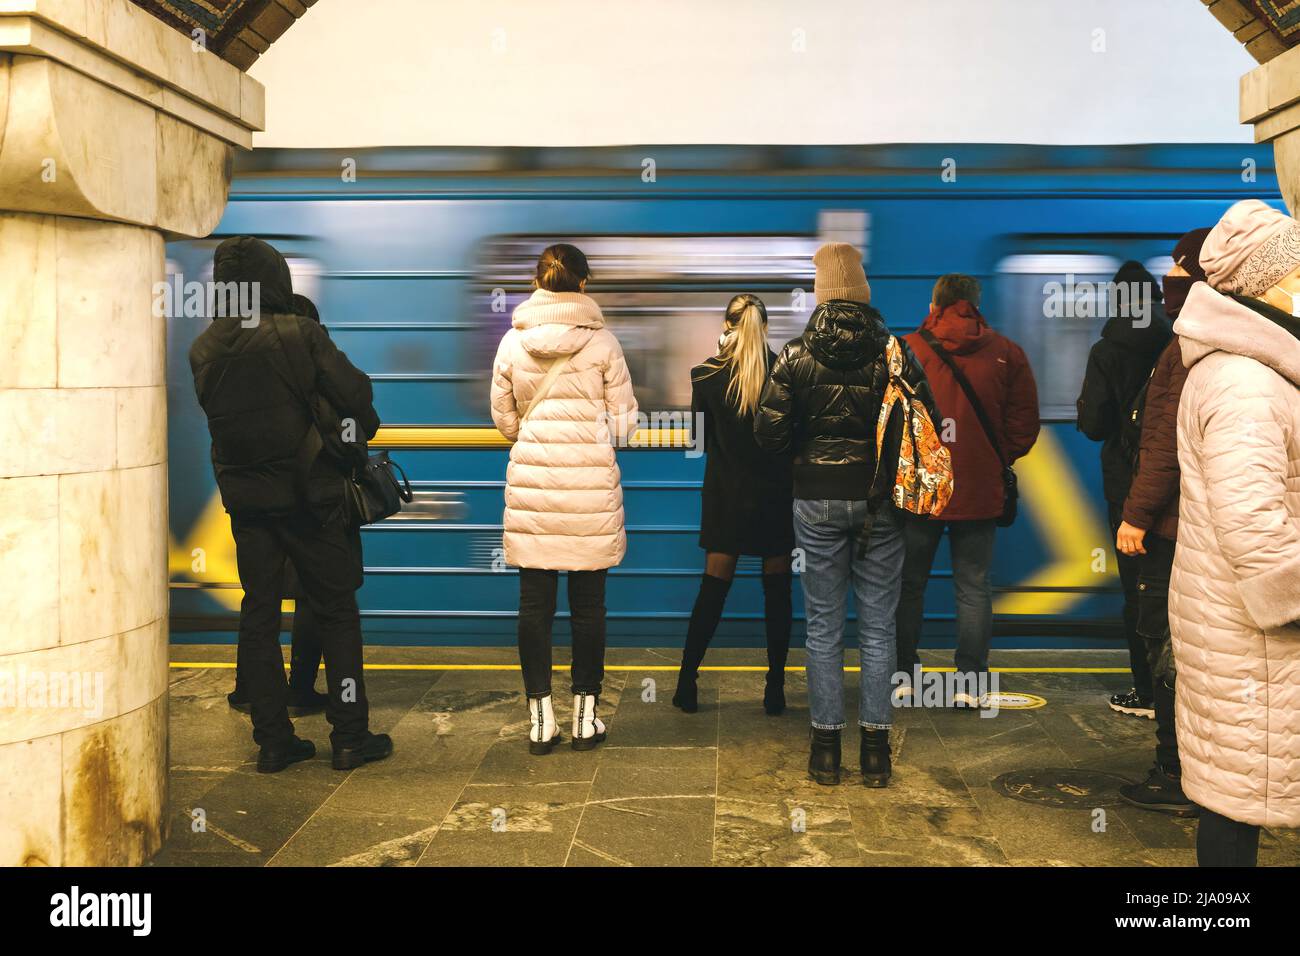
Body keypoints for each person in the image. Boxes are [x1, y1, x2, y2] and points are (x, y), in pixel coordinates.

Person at [190, 236, 392, 773]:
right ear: (275, 280)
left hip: (249, 509)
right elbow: (357, 399)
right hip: (313, 501)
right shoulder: (298, 334)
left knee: (258, 616)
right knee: (336, 614)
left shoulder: (204, 348)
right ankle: (350, 736)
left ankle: (273, 741)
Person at [755, 242, 938, 788]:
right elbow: (925, 422)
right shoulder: (896, 353)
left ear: (821, 296)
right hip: (879, 502)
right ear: (863, 293)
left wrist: (804, 450)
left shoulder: (794, 356)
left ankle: (826, 750)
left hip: (815, 499)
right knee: (878, 627)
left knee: (824, 626)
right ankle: (876, 751)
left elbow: (769, 435)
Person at [1169, 199, 1300, 866]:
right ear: (1265, 283)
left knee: (1236, 794)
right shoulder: (1248, 385)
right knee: (1238, 799)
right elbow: (1255, 531)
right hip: (1262, 647)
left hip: (1243, 642)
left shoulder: (1253, 371)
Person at [490, 243, 637, 755]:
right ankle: (585, 717)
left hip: (535, 489)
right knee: (588, 607)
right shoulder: (605, 345)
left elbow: (505, 421)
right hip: (589, 490)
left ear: (538, 284)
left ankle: (539, 720)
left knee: (535, 606)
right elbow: (623, 425)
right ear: (583, 285)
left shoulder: (512, 343)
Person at [895, 275, 1039, 705]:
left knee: (908, 585)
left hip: (922, 490)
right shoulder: (1007, 353)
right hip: (978, 490)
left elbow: (891, 422)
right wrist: (992, 460)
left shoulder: (908, 349)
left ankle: (902, 675)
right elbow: (1024, 425)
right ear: (976, 305)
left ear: (935, 304)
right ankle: (971, 683)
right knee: (974, 586)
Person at [1114, 229, 1211, 816]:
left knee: (1168, 648)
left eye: (1178, 269)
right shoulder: (1183, 341)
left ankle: (1175, 770)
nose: (1168, 280)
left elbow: (1163, 444)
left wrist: (1135, 516)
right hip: (1182, 523)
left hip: (1172, 530)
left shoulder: (1186, 348)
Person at [672, 294, 794, 716]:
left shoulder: (705, 375)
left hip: (727, 497)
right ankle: (774, 689)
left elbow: (697, 444)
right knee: (777, 590)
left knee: (713, 588)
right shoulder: (786, 372)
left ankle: (687, 683)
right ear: (765, 327)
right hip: (776, 497)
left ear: (727, 325)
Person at [225, 293, 335, 717]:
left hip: (250, 499)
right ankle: (301, 688)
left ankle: (248, 688)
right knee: (312, 595)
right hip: (303, 498)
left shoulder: (245, 366)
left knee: (259, 597)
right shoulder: (310, 365)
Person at [1076, 261, 1172, 718]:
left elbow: (1093, 424)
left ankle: (1148, 692)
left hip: (1126, 483)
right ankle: (1180, 691)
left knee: (1138, 589)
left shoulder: (1107, 350)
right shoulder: (1178, 339)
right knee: (1177, 586)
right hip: (1175, 483)